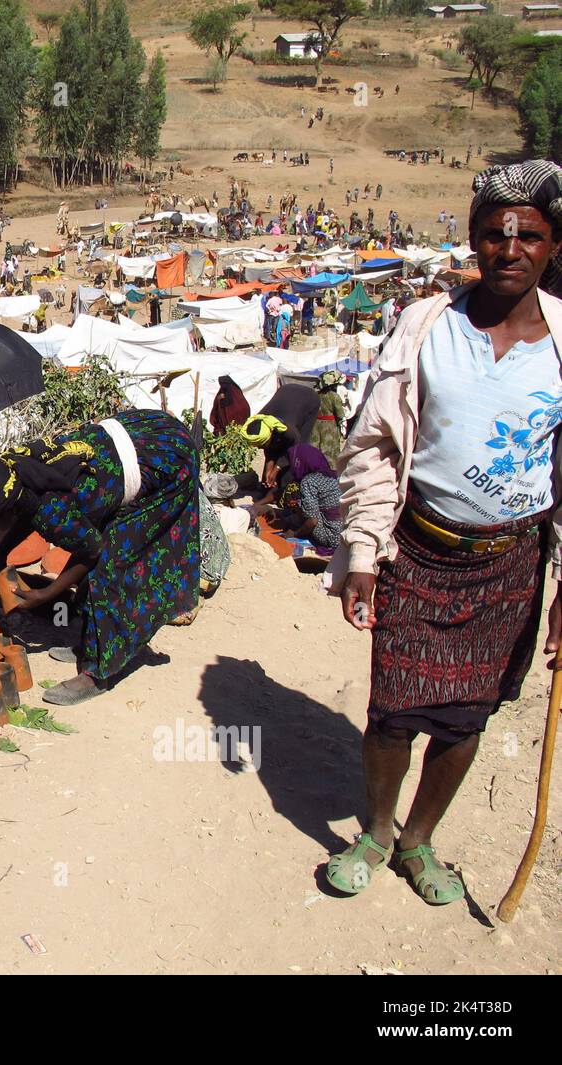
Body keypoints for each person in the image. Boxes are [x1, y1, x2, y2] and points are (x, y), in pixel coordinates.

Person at [328, 160, 562, 906]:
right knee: (393, 710)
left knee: (466, 718)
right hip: (419, 550)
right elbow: (372, 445)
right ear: (472, 241)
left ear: (553, 246)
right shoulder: (425, 325)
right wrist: (364, 550)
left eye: (529, 234)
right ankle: (374, 828)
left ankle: (418, 840)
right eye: (495, 233)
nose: (511, 247)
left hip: (510, 565)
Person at [0, 409, 201, 706]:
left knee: (112, 568)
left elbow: (90, 551)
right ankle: (89, 640)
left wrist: (47, 593)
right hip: (143, 431)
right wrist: (1, 559)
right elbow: (25, 512)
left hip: (166, 455)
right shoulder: (16, 468)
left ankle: (97, 672)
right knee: (100, 552)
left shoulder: (53, 511)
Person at [275, 443, 343, 550]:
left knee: (294, 519)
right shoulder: (336, 475)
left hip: (332, 537)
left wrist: (295, 534)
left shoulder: (309, 481)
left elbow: (312, 521)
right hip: (346, 534)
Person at [310, 369, 348, 466]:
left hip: (316, 425)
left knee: (315, 449)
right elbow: (340, 414)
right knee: (329, 451)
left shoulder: (316, 395)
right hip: (330, 427)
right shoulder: (334, 396)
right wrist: (343, 430)